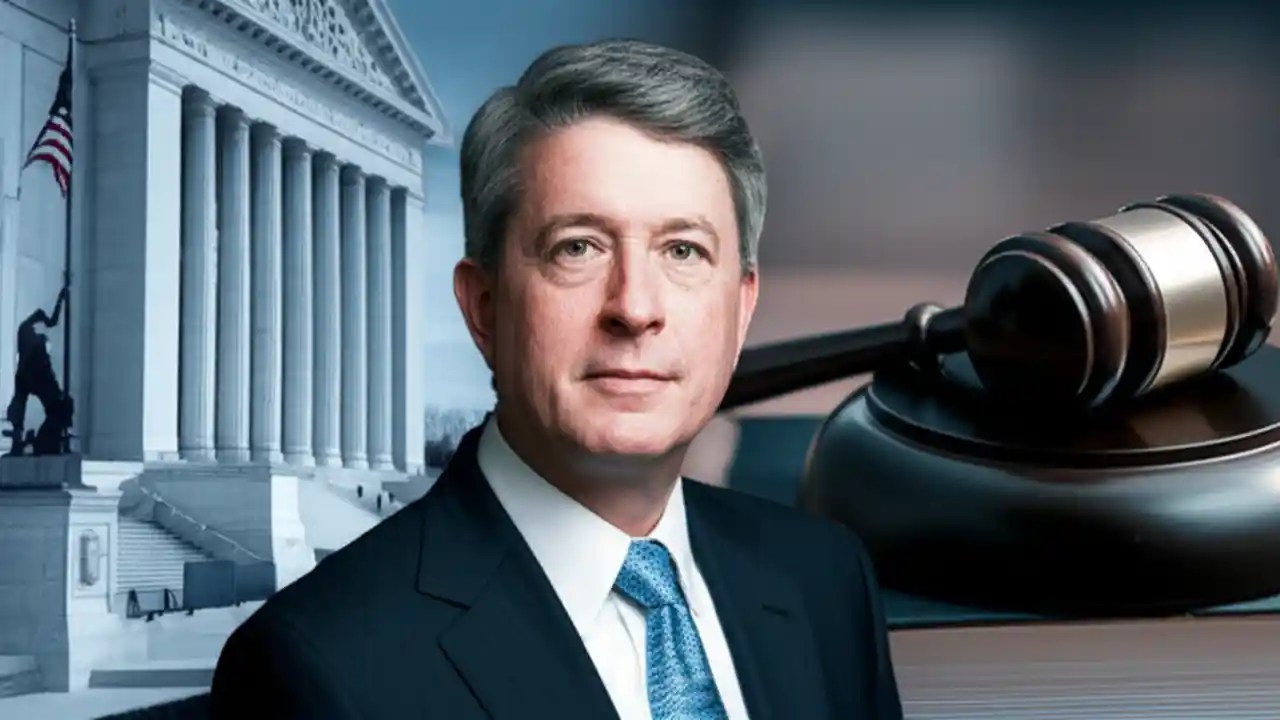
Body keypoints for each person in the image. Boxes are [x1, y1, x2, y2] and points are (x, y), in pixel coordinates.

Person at [210, 38, 903, 719]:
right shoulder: (317, 664)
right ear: (485, 308)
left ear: (742, 305)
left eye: (683, 251)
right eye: (578, 248)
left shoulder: (823, 580)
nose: (635, 307)